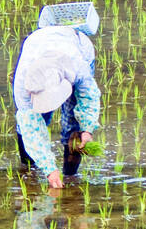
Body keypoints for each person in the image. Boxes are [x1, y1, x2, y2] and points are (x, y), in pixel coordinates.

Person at [11, 11, 101, 188]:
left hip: (77, 46)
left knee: (73, 127)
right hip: (37, 44)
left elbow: (88, 97)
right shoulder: (23, 86)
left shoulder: (77, 65)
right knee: (30, 123)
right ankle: (29, 171)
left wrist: (87, 129)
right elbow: (32, 129)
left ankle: (70, 178)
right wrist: (49, 169)